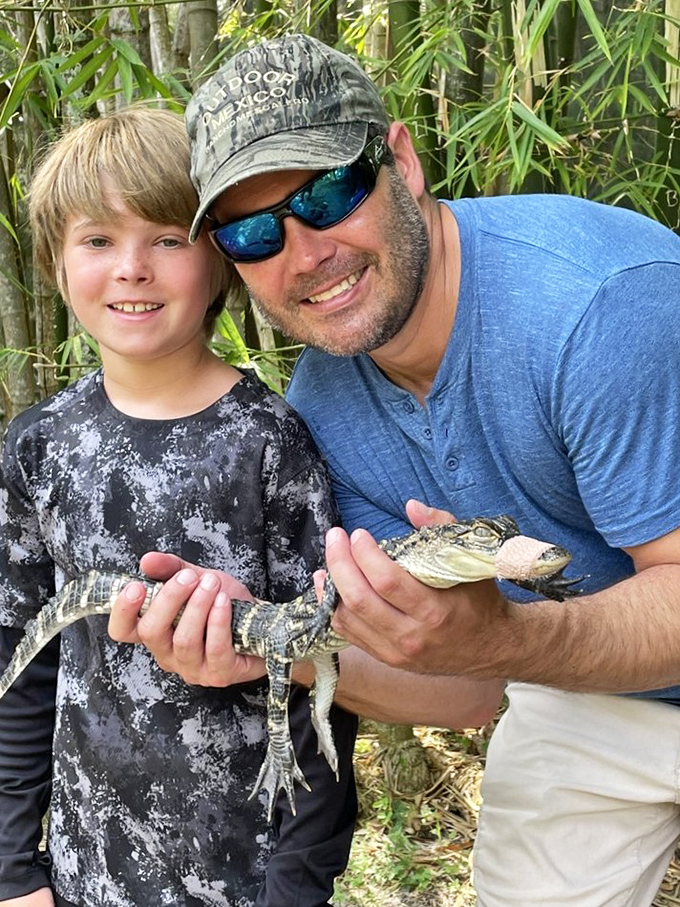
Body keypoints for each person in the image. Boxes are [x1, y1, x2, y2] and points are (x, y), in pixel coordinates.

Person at [107, 33, 680, 907]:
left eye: (330, 192)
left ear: (402, 162)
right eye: (254, 232)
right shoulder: (324, 406)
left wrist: (513, 640)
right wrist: (264, 651)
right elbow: (471, 690)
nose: (305, 254)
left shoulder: (596, 307)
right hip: (589, 685)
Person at [0, 105, 357, 907]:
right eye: (97, 240)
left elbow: (322, 678)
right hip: (83, 873)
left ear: (222, 261)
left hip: (246, 876)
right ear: (57, 266)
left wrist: (294, 886)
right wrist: (14, 872)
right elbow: (18, 664)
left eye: (167, 237)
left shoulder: (272, 443)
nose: (132, 268)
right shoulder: (37, 446)